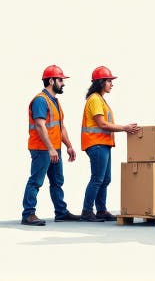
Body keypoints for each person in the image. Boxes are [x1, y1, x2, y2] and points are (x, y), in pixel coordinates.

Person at [21, 65, 80, 226]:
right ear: (51, 81)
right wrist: (50, 148)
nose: (63, 83)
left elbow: (60, 127)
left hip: (54, 149)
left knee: (57, 182)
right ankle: (28, 214)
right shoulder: (41, 100)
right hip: (42, 149)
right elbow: (40, 125)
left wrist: (68, 146)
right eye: (60, 80)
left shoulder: (55, 101)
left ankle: (61, 212)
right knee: (36, 181)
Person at [80, 66, 140, 222]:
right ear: (101, 82)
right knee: (97, 179)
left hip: (103, 144)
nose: (112, 84)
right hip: (97, 144)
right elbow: (102, 124)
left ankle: (101, 211)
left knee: (105, 179)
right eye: (109, 81)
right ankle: (87, 211)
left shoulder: (100, 99)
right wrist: (125, 128)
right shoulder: (95, 99)